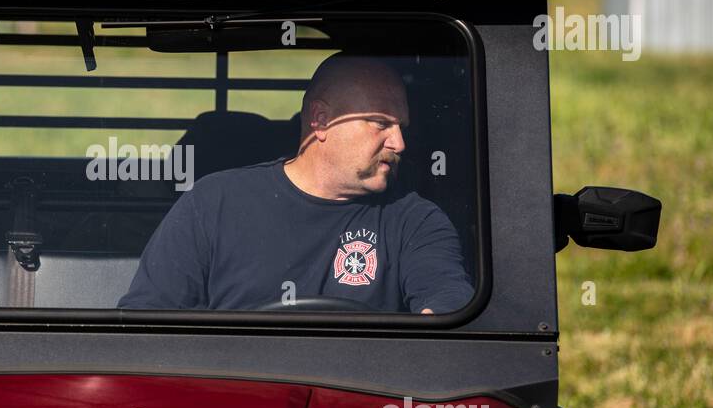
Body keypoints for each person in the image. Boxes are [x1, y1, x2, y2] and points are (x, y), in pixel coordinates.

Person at [118, 53, 474, 313]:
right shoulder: (213, 203)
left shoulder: (415, 220)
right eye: (381, 124)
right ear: (321, 121)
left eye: (402, 127)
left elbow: (446, 308)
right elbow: (147, 324)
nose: (399, 143)